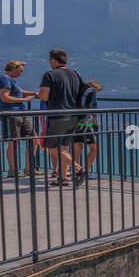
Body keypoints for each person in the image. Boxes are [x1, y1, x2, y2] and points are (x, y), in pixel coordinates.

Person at [37, 48, 86, 186]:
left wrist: (38, 95)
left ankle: (78, 169)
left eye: (49, 60)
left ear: (53, 60)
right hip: (73, 116)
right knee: (63, 148)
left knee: (53, 148)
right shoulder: (75, 74)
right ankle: (63, 178)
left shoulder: (50, 74)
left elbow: (44, 96)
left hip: (57, 116)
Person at [0, 60, 38, 176]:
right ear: (13, 68)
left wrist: (35, 94)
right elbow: (4, 97)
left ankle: (29, 169)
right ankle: (12, 171)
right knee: (14, 142)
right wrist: (25, 100)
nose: (21, 73)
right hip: (11, 114)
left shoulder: (11, 80)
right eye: (20, 71)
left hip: (21, 113)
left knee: (33, 139)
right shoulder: (4, 79)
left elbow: (20, 92)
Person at [72, 80, 102, 178]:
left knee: (77, 146)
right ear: (96, 87)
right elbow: (92, 107)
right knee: (94, 148)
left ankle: (77, 172)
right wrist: (94, 120)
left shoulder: (79, 90)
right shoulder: (91, 91)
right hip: (86, 122)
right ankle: (85, 171)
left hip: (75, 120)